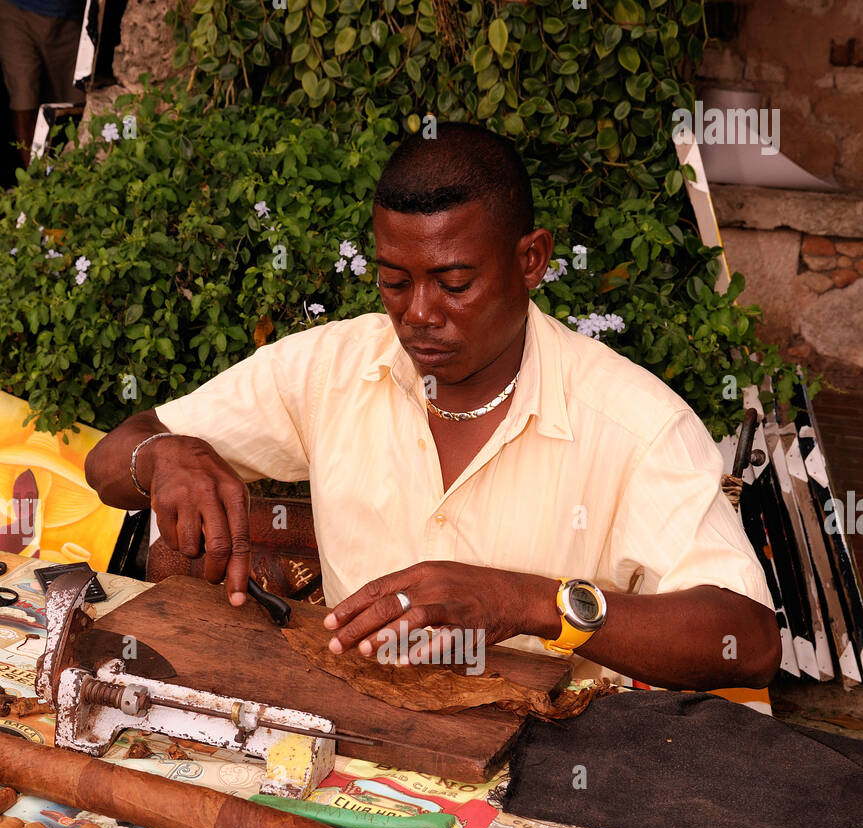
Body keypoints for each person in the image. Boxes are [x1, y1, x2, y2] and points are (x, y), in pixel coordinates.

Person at [86, 123, 781, 692]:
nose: (418, 315)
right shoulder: (331, 368)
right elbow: (108, 463)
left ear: (531, 260)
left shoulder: (632, 422)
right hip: (364, 731)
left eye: (453, 282)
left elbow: (744, 640)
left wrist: (524, 603)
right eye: (394, 282)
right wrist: (166, 455)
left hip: (552, 763)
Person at [0, 0, 84, 166]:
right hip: (16, 8)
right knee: (23, 98)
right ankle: (33, 181)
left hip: (70, 17)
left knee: (78, 104)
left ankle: (78, 178)